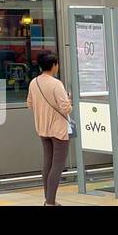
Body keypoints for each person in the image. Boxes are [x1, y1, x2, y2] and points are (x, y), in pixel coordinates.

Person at [26, 52, 72, 206]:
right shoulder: (56, 84)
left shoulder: (34, 82)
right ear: (53, 65)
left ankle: (48, 199)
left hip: (42, 128)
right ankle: (50, 202)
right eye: (57, 64)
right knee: (57, 166)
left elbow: (30, 104)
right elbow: (65, 108)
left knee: (47, 163)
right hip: (58, 129)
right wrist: (69, 99)